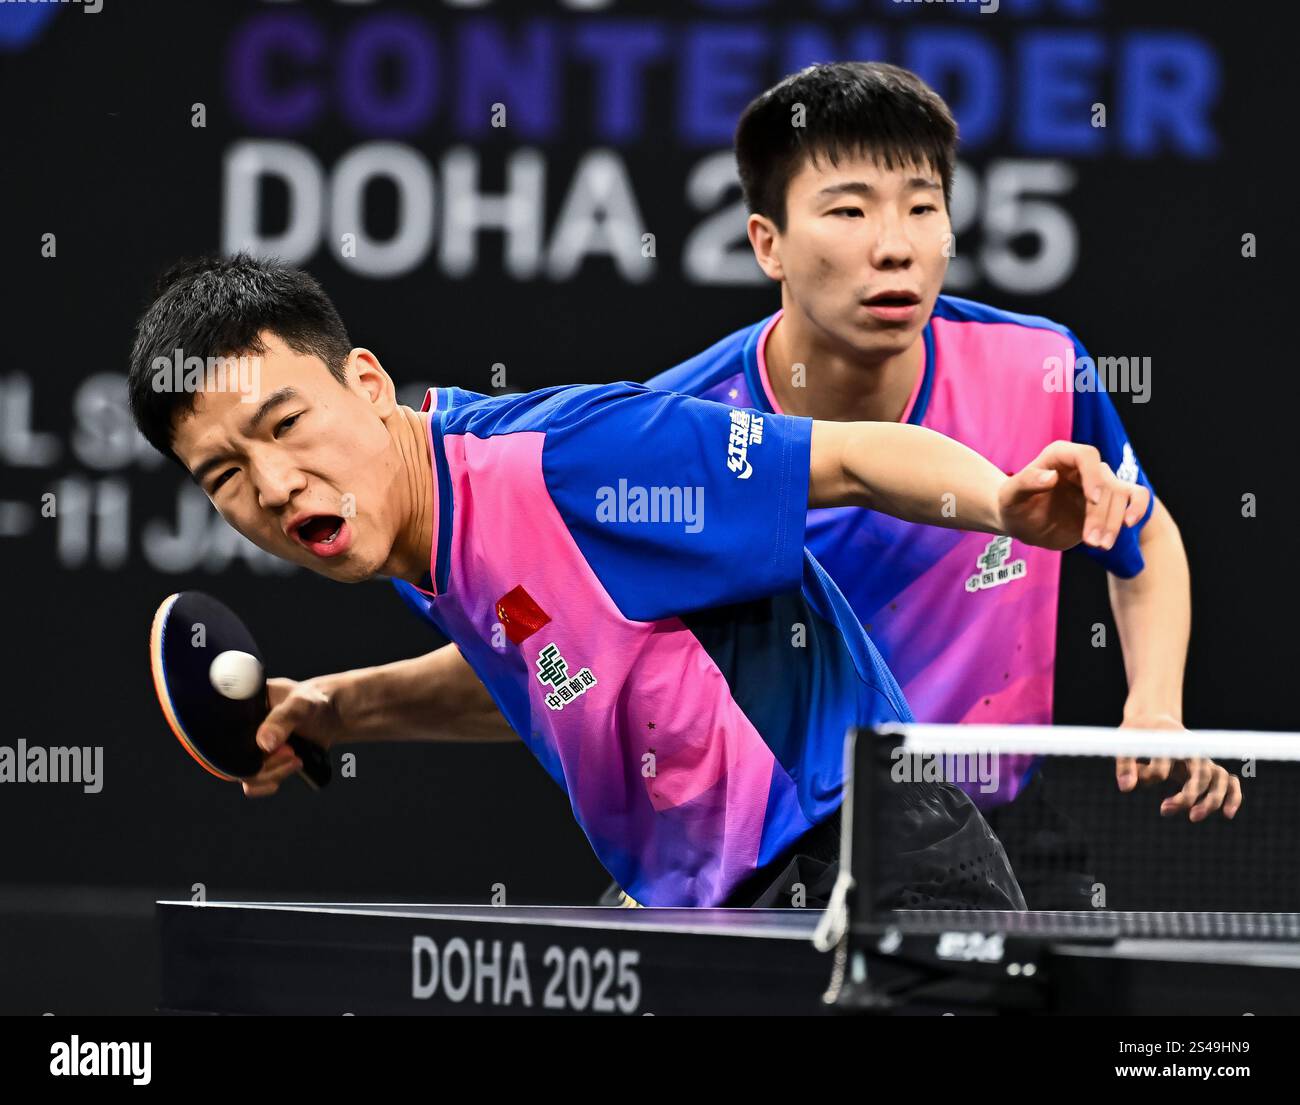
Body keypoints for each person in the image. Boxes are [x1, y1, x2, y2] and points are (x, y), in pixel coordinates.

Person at [127, 254, 1145, 908]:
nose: (271, 483)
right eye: (225, 474)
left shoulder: (573, 457)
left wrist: (1003, 504)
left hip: (865, 867)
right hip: (705, 901)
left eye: (285, 425)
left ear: (364, 382)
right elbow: (562, 655)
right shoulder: (407, 527)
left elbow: (848, 458)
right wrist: (336, 709)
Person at [642, 62, 1241, 904]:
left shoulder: (1040, 369)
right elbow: (580, 646)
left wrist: (1156, 707)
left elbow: (1146, 537)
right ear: (766, 241)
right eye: (848, 210)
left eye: (923, 208)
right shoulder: (679, 428)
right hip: (767, 849)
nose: (896, 245)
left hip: (995, 836)